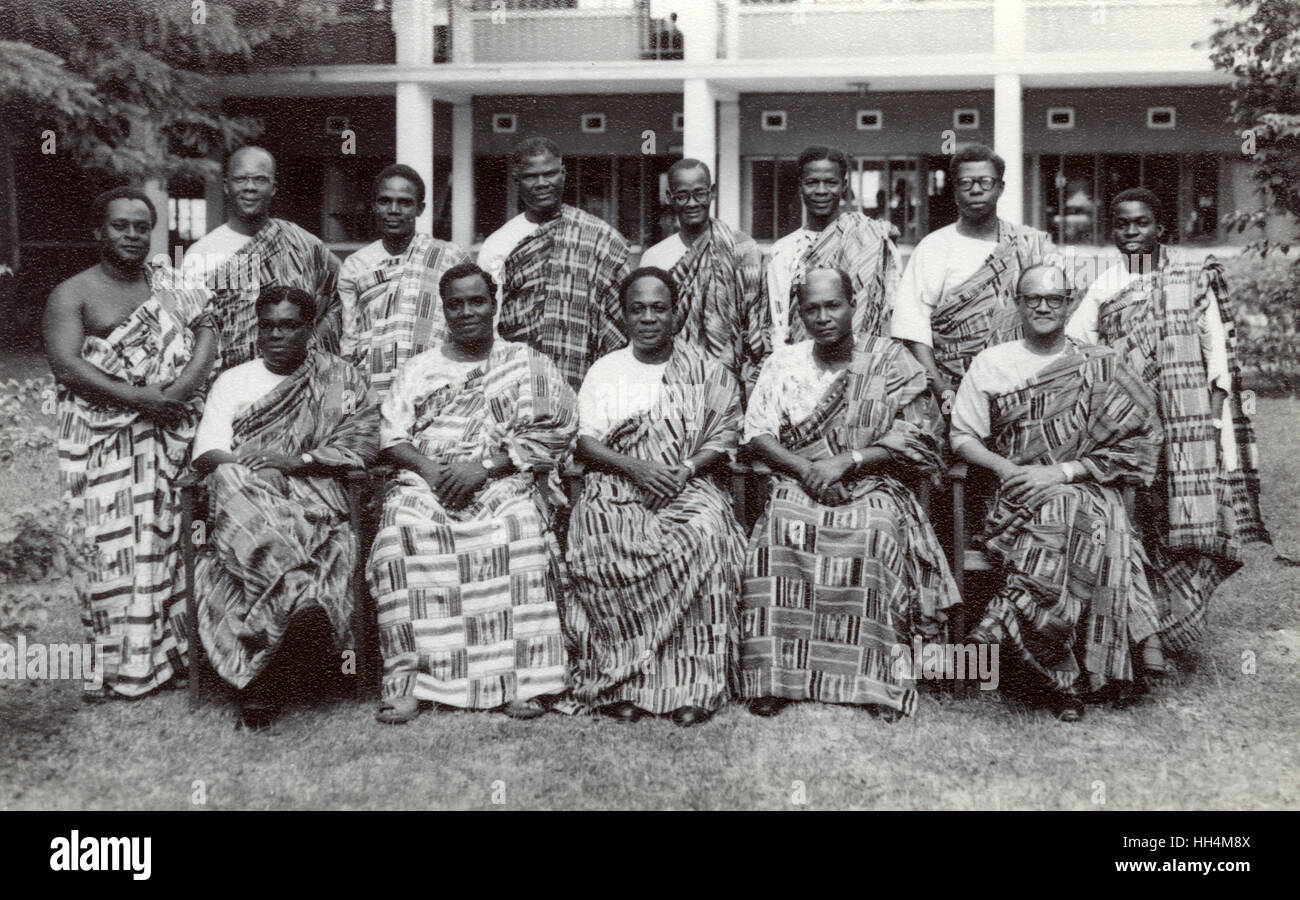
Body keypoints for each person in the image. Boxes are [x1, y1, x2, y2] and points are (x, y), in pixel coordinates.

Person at [740, 267, 960, 720]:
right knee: (784, 523)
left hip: (875, 481)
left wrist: (848, 462)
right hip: (801, 479)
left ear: (853, 305)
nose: (823, 317)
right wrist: (808, 469)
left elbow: (922, 432)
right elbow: (758, 434)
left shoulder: (890, 360)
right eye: (812, 309)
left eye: (833, 305)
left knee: (875, 529)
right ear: (800, 314)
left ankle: (877, 679)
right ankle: (777, 677)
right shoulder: (783, 363)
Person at [951, 264, 1164, 721]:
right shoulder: (993, 362)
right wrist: (1008, 468)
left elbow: (1141, 440)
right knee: (1085, 517)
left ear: (1069, 303)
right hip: (1012, 498)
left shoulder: (1102, 364)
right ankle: (1081, 665)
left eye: (1054, 299)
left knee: (1071, 508)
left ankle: (1041, 663)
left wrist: (1063, 472)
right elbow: (963, 438)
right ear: (1018, 304)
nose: (1043, 307)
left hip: (1079, 489)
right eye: (1033, 299)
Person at [368, 262, 578, 724]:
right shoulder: (420, 369)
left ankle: (524, 681)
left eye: (476, 301)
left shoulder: (526, 362)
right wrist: (431, 469)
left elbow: (555, 431)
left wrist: (482, 468)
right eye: (455, 304)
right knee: (398, 535)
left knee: (519, 529)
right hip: (427, 479)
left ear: (494, 303)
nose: (466, 312)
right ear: (443, 310)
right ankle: (409, 683)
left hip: (501, 477)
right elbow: (393, 436)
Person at [1065, 187, 1269, 653]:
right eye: (1122, 224)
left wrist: (1212, 432)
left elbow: (1217, 363)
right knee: (1135, 524)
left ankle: (1169, 627)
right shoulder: (1106, 285)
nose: (1131, 232)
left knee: (1185, 529)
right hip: (1129, 431)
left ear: (1160, 227)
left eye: (1141, 223)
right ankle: (1141, 631)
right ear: (1112, 229)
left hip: (1187, 431)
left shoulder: (1190, 279)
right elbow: (1081, 351)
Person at [43, 186, 219, 698]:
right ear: (99, 231)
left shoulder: (171, 284)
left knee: (170, 545)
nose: (132, 236)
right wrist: (142, 399)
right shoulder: (71, 294)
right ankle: (114, 662)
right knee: (107, 550)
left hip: (170, 438)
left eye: (141, 227)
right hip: (104, 445)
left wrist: (178, 391)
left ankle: (173, 655)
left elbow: (208, 327)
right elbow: (67, 367)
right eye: (121, 226)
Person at [562, 268, 745, 727]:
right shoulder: (607, 369)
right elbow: (587, 443)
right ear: (623, 316)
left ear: (677, 312)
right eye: (637, 309)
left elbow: (724, 435)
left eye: (658, 308)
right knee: (603, 540)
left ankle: (693, 685)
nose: (648, 318)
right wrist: (637, 468)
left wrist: (685, 469)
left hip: (686, 482)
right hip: (618, 481)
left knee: (704, 535)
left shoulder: (705, 370)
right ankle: (623, 682)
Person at [190, 285, 379, 729]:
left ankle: (263, 678)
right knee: (229, 477)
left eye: (289, 325)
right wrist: (257, 466)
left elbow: (364, 442)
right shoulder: (233, 380)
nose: (276, 334)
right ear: (257, 329)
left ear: (311, 329)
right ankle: (299, 603)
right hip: (248, 505)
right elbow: (208, 453)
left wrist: (296, 463)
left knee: (331, 539)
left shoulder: (343, 379)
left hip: (317, 505)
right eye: (267, 325)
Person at [892, 143, 1058, 400]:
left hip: (1023, 383)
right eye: (966, 183)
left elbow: (1055, 315)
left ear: (1000, 188)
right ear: (955, 189)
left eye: (985, 182)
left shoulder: (1031, 246)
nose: (976, 190)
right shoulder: (934, 247)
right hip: (951, 386)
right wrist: (941, 389)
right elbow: (912, 326)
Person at [479, 136, 630, 391]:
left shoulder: (601, 237)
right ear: (517, 179)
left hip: (589, 379)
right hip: (518, 381)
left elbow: (622, 315)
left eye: (549, 174)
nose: (541, 183)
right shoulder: (498, 244)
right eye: (530, 176)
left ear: (563, 173)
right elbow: (489, 324)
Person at [182, 145, 341, 373]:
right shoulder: (201, 253)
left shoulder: (301, 242)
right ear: (227, 186)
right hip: (231, 384)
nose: (249, 188)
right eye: (240, 179)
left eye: (260, 180)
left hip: (297, 380)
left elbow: (341, 294)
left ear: (273, 188)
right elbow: (191, 331)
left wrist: (314, 342)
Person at [337, 163, 471, 395]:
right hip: (372, 391)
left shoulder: (451, 258)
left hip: (439, 386)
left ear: (420, 209)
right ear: (374, 206)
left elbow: (468, 326)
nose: (394, 210)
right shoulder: (356, 265)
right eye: (385, 201)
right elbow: (350, 339)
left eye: (405, 202)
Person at [639, 159, 766, 398]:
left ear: (713, 193)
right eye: (682, 196)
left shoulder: (743, 249)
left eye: (700, 194)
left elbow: (757, 318)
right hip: (671, 378)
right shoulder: (654, 257)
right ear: (669, 197)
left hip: (731, 376)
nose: (692, 203)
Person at [764, 146, 900, 351]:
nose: (821, 191)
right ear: (800, 186)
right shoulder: (783, 251)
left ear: (844, 185)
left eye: (830, 182)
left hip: (866, 363)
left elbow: (892, 310)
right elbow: (779, 322)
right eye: (812, 183)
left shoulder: (874, 239)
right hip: (802, 365)